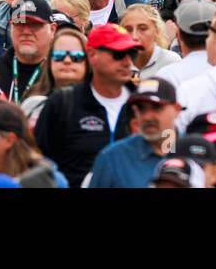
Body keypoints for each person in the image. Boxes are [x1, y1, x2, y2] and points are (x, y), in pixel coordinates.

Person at [34, 22, 139, 187]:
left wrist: (169, 151)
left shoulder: (145, 102)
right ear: (92, 55)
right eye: (118, 54)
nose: (127, 62)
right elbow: (39, 161)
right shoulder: (62, 103)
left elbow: (169, 140)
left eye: (131, 54)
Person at [86, 77, 183, 188]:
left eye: (156, 107)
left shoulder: (195, 153)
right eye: (142, 109)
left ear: (177, 109)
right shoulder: (113, 159)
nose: (147, 117)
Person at [121, 3, 181, 78]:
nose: (134, 36)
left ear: (157, 31)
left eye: (142, 28)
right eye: (128, 29)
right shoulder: (114, 62)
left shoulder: (171, 61)